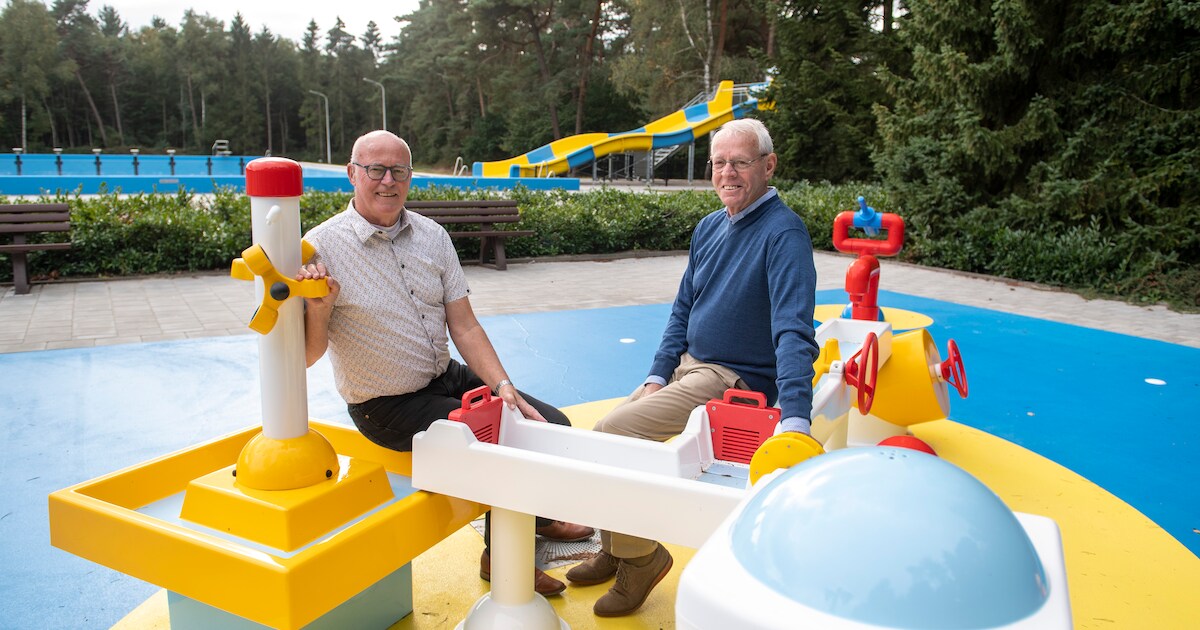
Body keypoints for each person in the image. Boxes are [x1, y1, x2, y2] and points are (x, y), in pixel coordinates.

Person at [296, 130, 593, 596]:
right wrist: (320, 309)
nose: (387, 180)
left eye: (399, 170)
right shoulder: (319, 248)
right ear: (353, 173)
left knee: (550, 423)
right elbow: (306, 356)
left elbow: (466, 326)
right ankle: (501, 558)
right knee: (501, 441)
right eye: (376, 169)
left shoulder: (431, 236)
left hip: (444, 377)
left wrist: (502, 385)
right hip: (384, 403)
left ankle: (540, 518)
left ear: (411, 176)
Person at [564, 118, 820, 616]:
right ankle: (618, 549)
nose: (728, 173)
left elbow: (794, 329)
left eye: (740, 162)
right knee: (600, 438)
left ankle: (642, 560)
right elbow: (683, 309)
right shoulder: (710, 226)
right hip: (690, 368)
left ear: (768, 166)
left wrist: (795, 413)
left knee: (616, 431)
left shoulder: (783, 234)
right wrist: (659, 373)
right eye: (719, 162)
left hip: (734, 378)